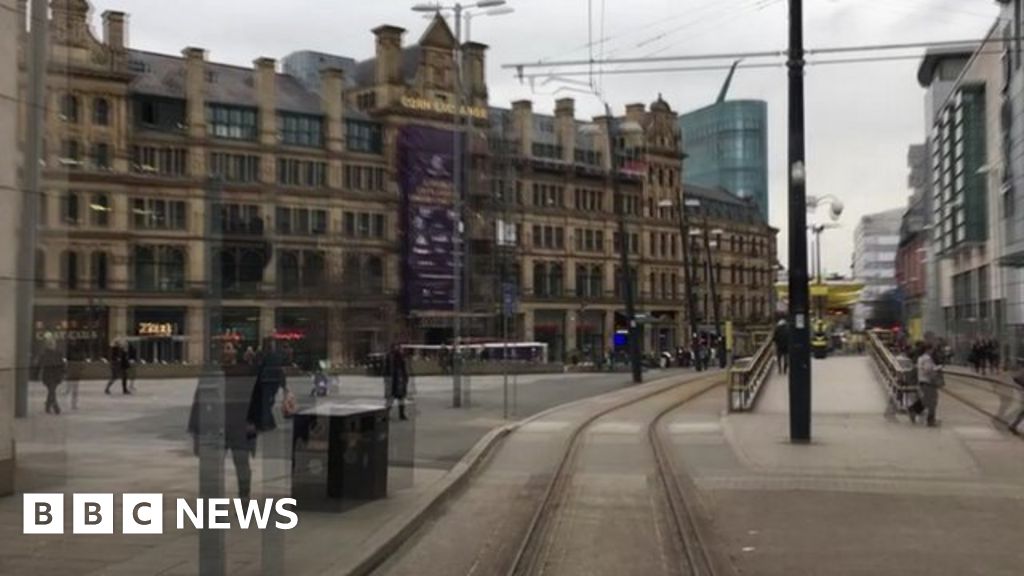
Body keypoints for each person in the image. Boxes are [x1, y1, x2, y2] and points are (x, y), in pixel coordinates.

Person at [909, 342, 941, 427]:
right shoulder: (927, 358)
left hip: (922, 381)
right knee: (932, 401)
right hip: (928, 381)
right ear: (928, 350)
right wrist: (936, 369)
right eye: (932, 349)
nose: (933, 351)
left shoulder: (920, 358)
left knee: (926, 400)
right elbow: (928, 370)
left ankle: (913, 410)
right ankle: (930, 420)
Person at [35, 335, 66, 415]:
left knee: (51, 391)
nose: (52, 345)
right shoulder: (44, 354)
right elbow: (39, 365)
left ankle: (48, 405)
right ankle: (56, 407)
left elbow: (62, 365)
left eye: (52, 343)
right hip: (48, 376)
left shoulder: (58, 353)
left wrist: (63, 373)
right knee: (52, 390)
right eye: (50, 344)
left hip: (55, 376)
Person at [383, 344, 409, 421]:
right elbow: (402, 368)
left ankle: (389, 415)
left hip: (396, 378)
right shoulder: (394, 356)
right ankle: (398, 414)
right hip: (396, 378)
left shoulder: (392, 356)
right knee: (395, 397)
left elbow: (403, 368)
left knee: (395, 397)